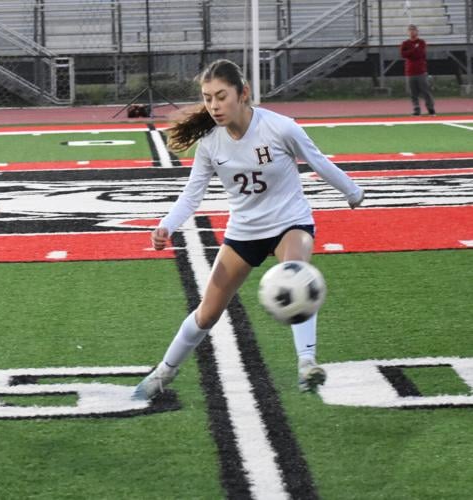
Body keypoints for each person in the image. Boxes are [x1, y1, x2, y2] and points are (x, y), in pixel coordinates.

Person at [132, 59, 365, 401]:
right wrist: (166, 225)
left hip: (290, 222)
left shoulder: (280, 127)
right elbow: (192, 194)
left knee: (295, 273)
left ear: (244, 93)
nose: (213, 105)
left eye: (221, 96)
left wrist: (351, 191)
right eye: (208, 97)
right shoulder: (210, 142)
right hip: (244, 232)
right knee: (207, 313)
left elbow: (319, 161)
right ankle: (162, 373)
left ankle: (307, 363)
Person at [400, 24, 435, 116]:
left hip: (421, 71)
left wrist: (412, 52)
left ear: (417, 31)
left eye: (414, 30)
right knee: (412, 92)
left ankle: (430, 108)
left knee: (425, 91)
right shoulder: (405, 43)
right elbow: (403, 54)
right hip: (410, 71)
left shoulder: (421, 42)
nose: (412, 32)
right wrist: (413, 49)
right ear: (408, 32)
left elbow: (420, 54)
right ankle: (416, 109)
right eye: (410, 30)